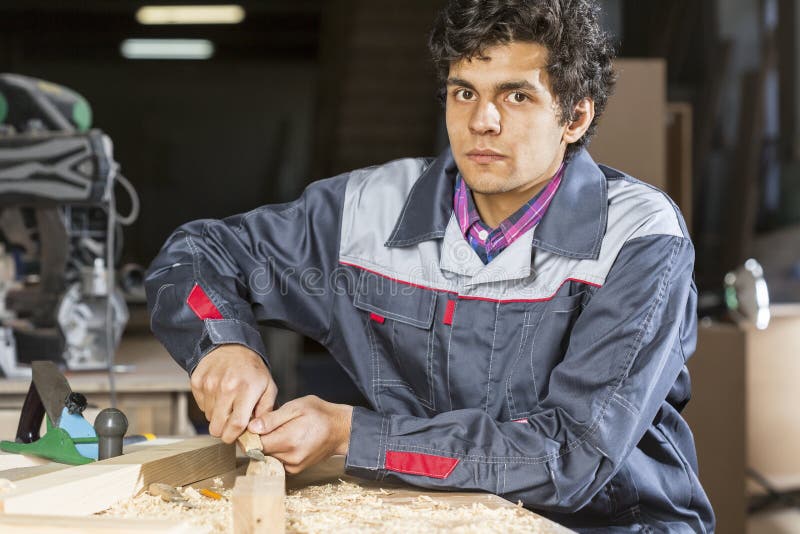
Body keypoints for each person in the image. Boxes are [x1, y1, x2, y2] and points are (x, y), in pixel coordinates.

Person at [145, 0, 715, 531]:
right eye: (463, 92)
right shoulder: (369, 211)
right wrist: (224, 345)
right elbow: (200, 256)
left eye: (516, 96)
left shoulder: (638, 238)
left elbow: (568, 456)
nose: (482, 121)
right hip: (424, 515)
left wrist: (353, 434)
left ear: (575, 117)